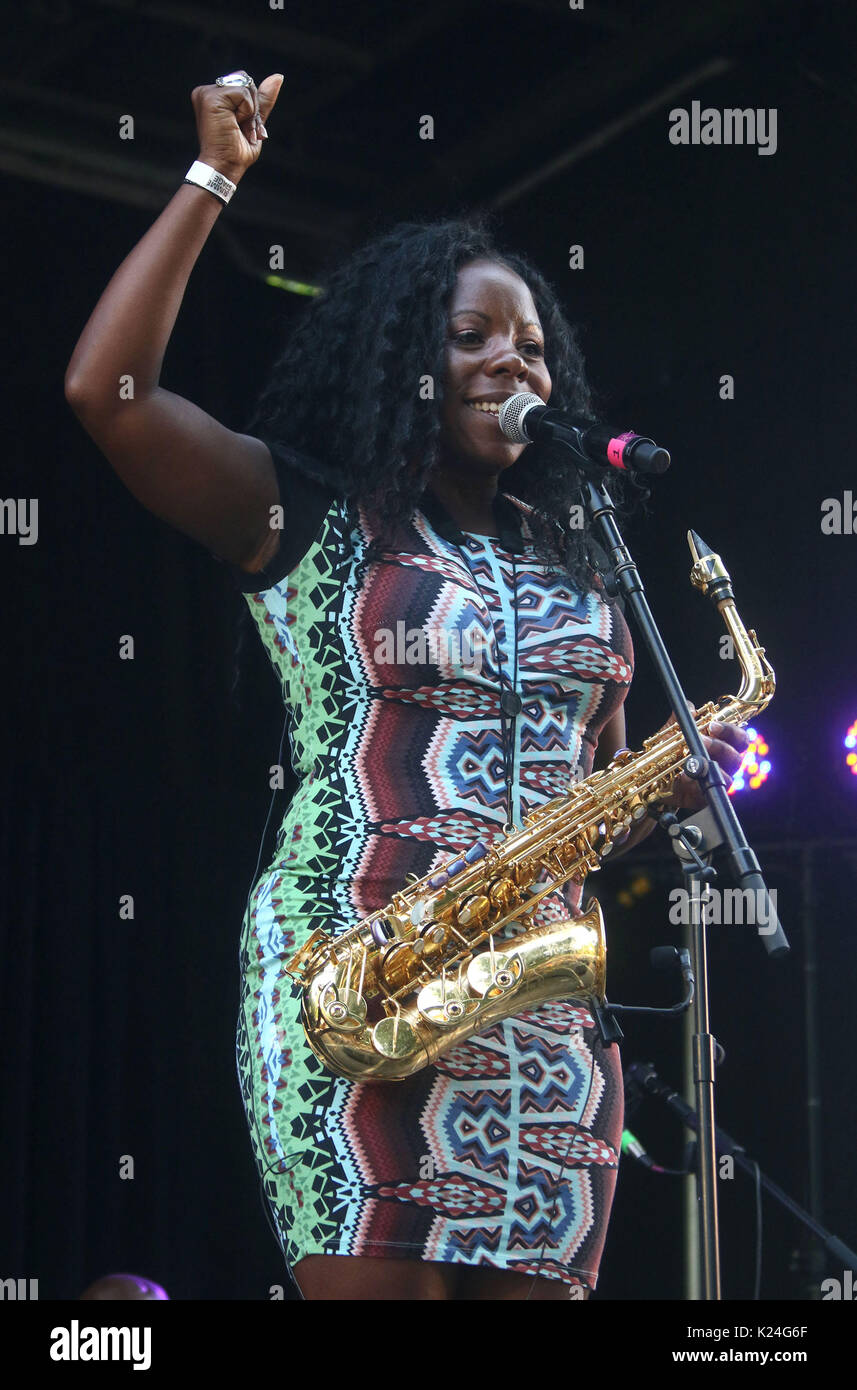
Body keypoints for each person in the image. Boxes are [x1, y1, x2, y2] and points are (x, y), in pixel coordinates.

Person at [65, 72, 748, 1302]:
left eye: (531, 343)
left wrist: (675, 786)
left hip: (540, 1024)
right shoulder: (315, 512)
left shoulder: (582, 562)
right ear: (402, 356)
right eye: (471, 334)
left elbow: (591, 793)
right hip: (358, 983)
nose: (508, 360)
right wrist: (213, 175)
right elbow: (105, 398)